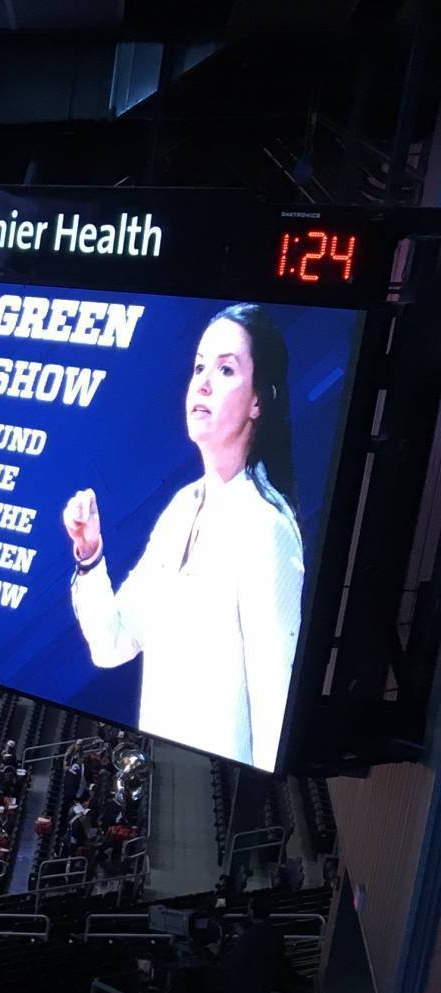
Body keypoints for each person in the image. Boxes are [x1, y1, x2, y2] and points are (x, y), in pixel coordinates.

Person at [65, 303, 305, 768]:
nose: (203, 383)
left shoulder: (267, 529)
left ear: (259, 400)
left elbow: (275, 714)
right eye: (199, 366)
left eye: (226, 368)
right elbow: (112, 644)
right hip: (159, 769)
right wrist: (90, 555)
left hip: (214, 783)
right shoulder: (181, 508)